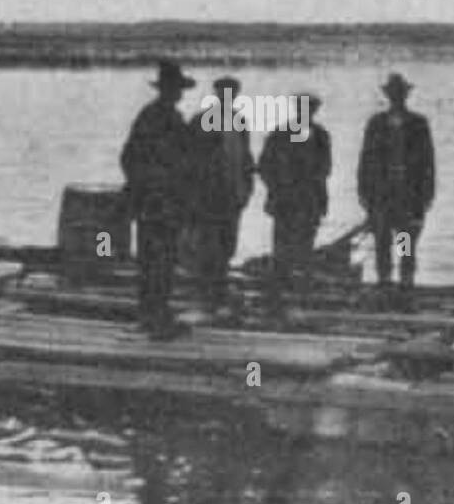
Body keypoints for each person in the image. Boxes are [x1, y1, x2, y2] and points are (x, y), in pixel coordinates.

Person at [120, 60, 195, 339]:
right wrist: (152, 185)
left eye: (179, 89)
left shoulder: (168, 117)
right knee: (157, 260)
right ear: (166, 90)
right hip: (157, 202)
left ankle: (155, 313)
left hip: (163, 202)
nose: (178, 94)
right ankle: (153, 316)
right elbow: (131, 158)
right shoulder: (154, 117)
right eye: (175, 89)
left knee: (160, 260)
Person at [357, 73, 435, 308]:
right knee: (381, 241)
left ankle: (405, 285)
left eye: (400, 94)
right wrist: (364, 192)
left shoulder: (418, 123)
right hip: (381, 196)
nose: (396, 97)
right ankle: (384, 284)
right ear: (388, 96)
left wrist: (426, 195)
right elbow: (365, 160)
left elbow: (428, 163)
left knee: (405, 242)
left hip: (408, 197)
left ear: (406, 96)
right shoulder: (376, 123)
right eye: (393, 94)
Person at [257, 93, 331, 317]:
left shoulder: (319, 136)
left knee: (304, 249)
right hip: (287, 202)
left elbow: (325, 169)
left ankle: (299, 296)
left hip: (308, 202)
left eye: (310, 110)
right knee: (282, 251)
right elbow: (265, 166)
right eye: (303, 109)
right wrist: (278, 189)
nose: (306, 113)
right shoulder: (281, 135)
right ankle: (278, 298)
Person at [188, 76, 255, 318]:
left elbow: (246, 159)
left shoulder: (240, 122)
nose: (228, 98)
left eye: (232, 94)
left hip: (233, 195)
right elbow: (191, 161)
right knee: (208, 246)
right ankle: (207, 294)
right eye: (223, 93)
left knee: (227, 245)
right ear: (216, 95)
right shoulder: (201, 121)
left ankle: (218, 289)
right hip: (209, 197)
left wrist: (247, 189)